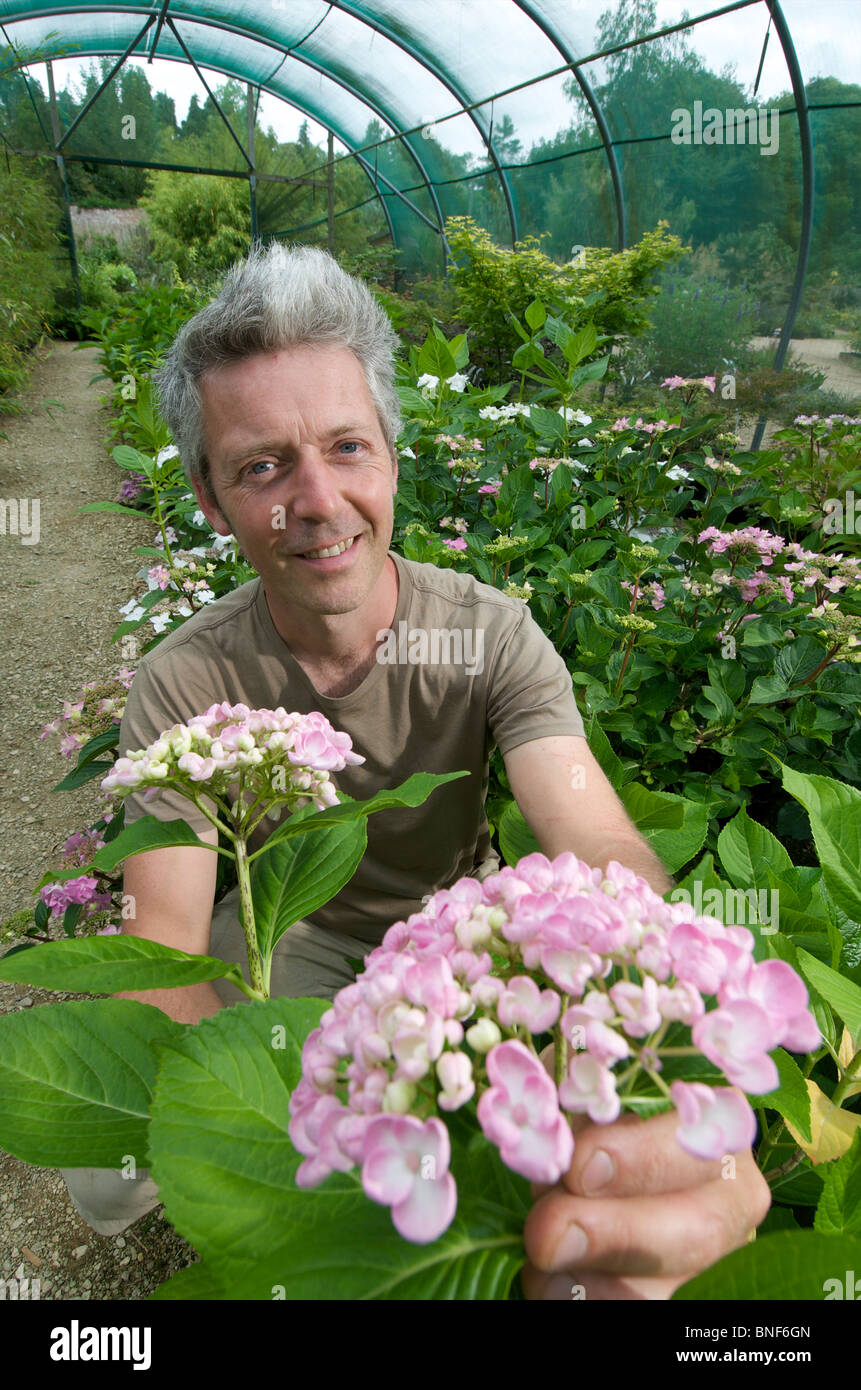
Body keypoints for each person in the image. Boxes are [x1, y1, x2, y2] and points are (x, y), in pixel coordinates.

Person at [62, 243, 769, 1296]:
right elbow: (163, 943)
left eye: (347, 446)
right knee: (103, 1174)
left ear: (392, 458)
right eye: (262, 465)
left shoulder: (491, 637)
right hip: (296, 942)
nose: (317, 498)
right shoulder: (186, 681)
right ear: (210, 500)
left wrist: (667, 1030)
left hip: (459, 946)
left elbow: (606, 843)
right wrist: (289, 1114)